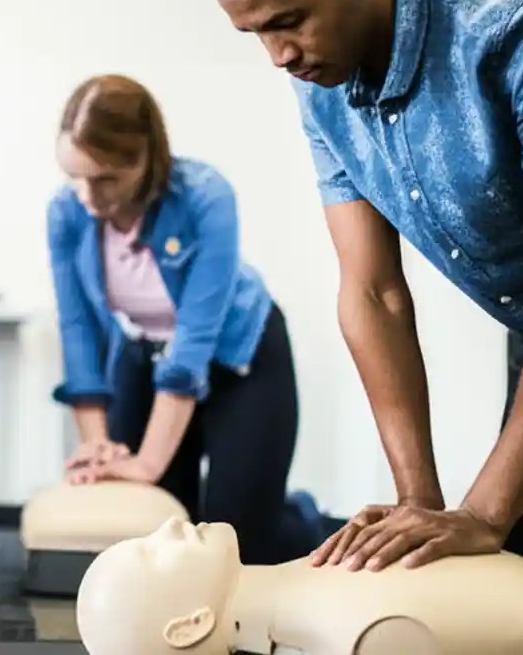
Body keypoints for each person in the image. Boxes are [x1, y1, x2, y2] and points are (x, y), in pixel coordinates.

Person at [210, 0, 523, 586]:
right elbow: (371, 291)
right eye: (256, 34)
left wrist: (482, 513)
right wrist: (419, 500)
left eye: (289, 21)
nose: (278, 55)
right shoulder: (320, 79)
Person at [47, 74, 326, 565]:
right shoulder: (67, 213)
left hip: (237, 356)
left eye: (105, 178)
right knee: (158, 531)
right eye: (75, 176)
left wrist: (148, 463)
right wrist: (98, 446)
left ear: (146, 158)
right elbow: (78, 331)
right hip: (146, 355)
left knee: (234, 537)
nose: (87, 195)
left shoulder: (206, 197)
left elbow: (193, 342)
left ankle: (303, 519)